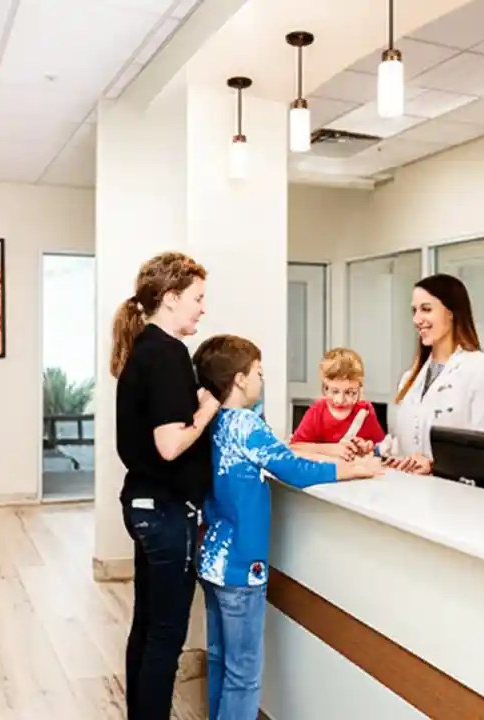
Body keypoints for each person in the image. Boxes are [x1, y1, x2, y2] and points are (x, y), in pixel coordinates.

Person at [192, 335, 382, 720]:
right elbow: (293, 467)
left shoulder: (214, 422)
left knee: (219, 659)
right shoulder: (247, 424)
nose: (263, 381)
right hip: (242, 567)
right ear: (241, 380)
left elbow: (284, 450)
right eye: (259, 373)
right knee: (243, 673)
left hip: (211, 559)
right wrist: (354, 468)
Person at [111, 252, 219, 720]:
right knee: (166, 634)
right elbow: (171, 444)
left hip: (143, 505)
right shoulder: (169, 352)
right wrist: (206, 410)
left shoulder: (147, 348)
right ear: (171, 299)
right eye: (197, 299)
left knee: (148, 625)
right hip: (164, 512)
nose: (202, 309)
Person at [385, 274, 484, 475]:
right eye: (414, 311)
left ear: (451, 312)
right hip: (408, 494)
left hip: (458, 497)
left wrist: (436, 466)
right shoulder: (409, 379)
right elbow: (403, 442)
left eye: (426, 309)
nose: (417, 319)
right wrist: (376, 449)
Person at [289, 347, 386, 460]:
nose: (340, 400)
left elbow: (379, 445)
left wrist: (366, 446)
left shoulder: (365, 411)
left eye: (350, 393)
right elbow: (295, 447)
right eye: (334, 391)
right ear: (325, 388)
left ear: (360, 388)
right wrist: (333, 449)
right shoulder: (317, 411)